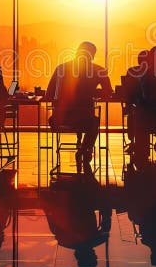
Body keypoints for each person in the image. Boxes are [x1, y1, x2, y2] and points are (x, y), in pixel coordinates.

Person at [46, 42, 113, 173]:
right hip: (85, 120)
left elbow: (49, 94)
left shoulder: (61, 68)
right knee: (94, 122)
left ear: (77, 53)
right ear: (92, 56)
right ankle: (84, 150)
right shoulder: (99, 71)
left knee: (91, 121)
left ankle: (84, 150)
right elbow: (108, 93)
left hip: (60, 119)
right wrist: (93, 92)